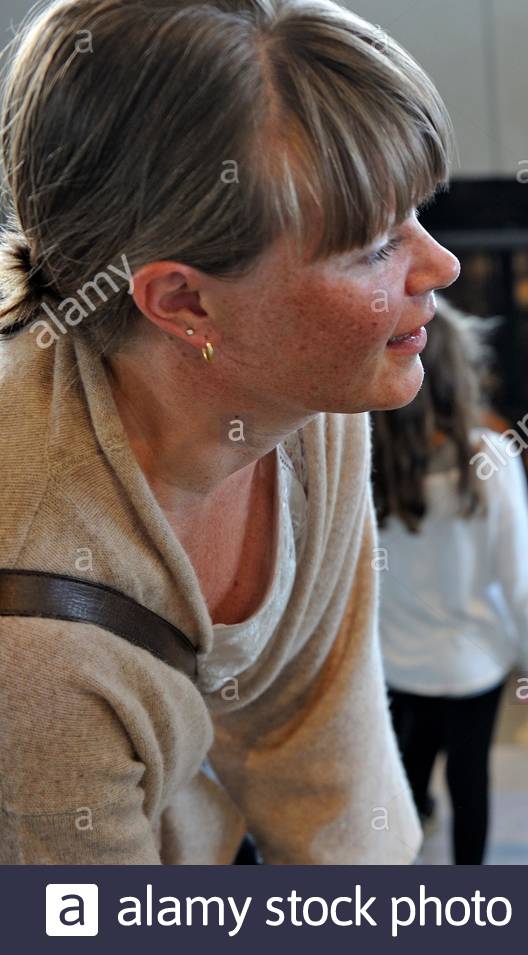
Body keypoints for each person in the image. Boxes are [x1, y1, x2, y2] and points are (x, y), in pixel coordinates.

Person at [0, 0, 459, 863]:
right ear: (183, 302)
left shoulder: (307, 395)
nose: (441, 267)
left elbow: (323, 753)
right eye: (372, 247)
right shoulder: (34, 648)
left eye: (419, 215)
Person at [372, 302, 528, 866]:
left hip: (397, 664)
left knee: (405, 778)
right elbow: (519, 580)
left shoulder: (368, 461)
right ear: (459, 373)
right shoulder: (492, 461)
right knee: (471, 782)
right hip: (476, 663)